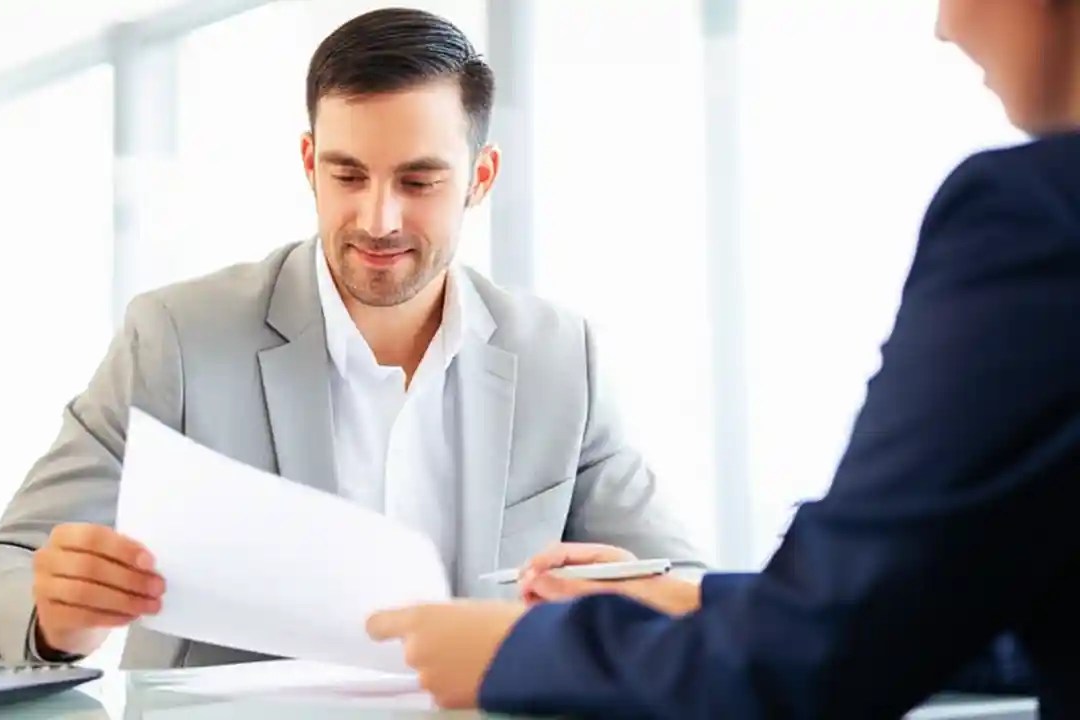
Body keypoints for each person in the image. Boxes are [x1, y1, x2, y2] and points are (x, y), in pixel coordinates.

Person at [365, 0, 1080, 716]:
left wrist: (512, 651)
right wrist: (691, 597)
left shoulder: (1037, 216)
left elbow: (825, 648)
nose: (945, 24)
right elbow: (976, 622)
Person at [0, 7, 702, 669]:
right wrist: (53, 617)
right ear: (309, 163)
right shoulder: (176, 339)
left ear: (480, 178)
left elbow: (695, 585)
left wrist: (641, 600)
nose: (378, 219)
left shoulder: (560, 358)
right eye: (347, 175)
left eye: (418, 181)